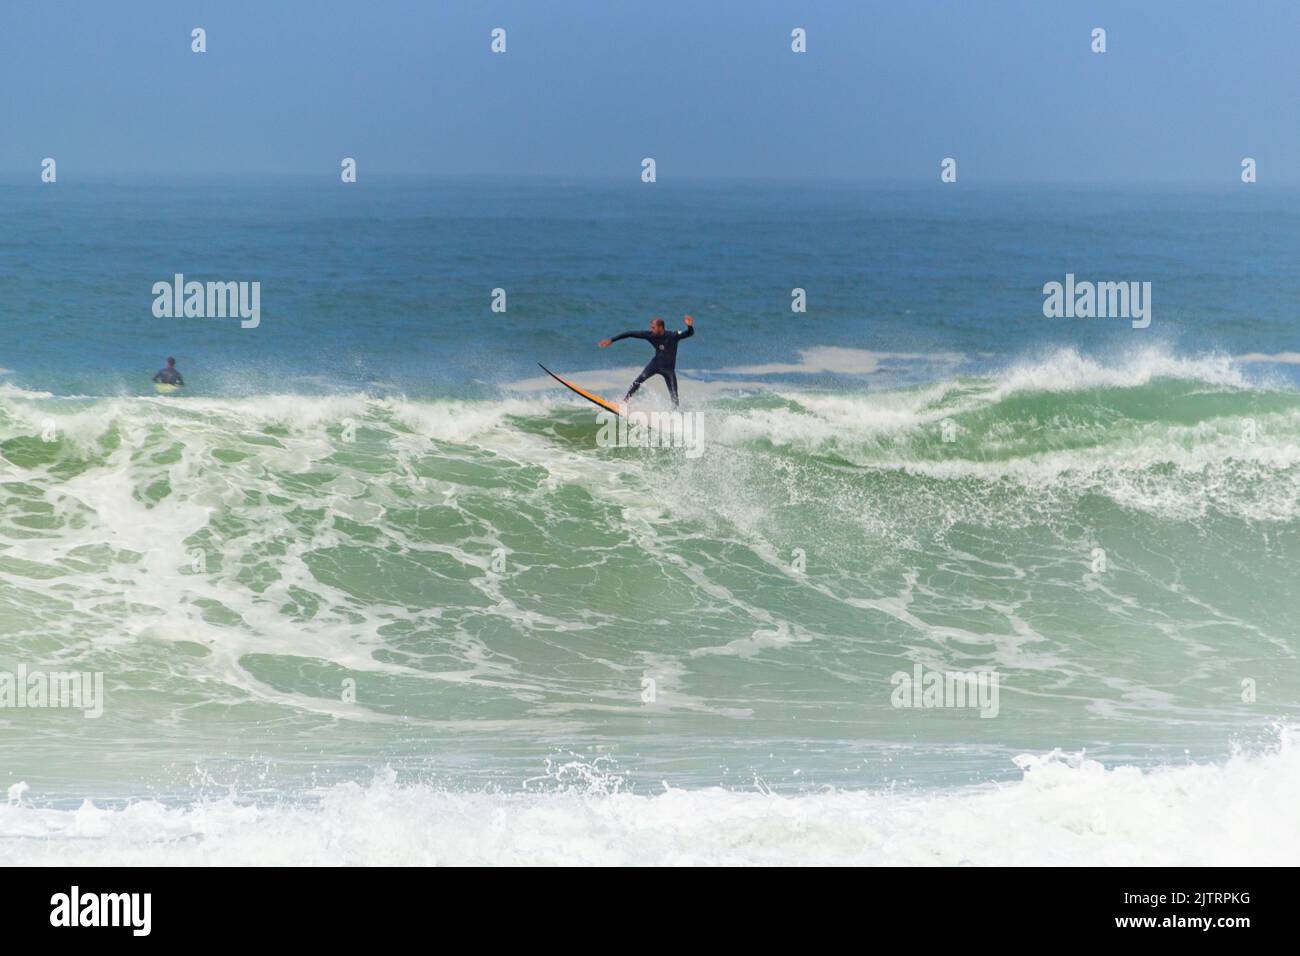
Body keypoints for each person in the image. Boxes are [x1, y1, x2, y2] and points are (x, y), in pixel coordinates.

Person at [599, 315, 694, 407]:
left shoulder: (673, 335)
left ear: (660, 327)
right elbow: (630, 333)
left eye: (653, 328)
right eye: (651, 328)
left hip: (668, 370)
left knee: (674, 396)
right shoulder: (650, 335)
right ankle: (624, 402)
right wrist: (612, 340)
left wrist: (689, 326)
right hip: (655, 364)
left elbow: (689, 333)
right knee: (638, 380)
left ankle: (674, 414)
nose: (651, 330)